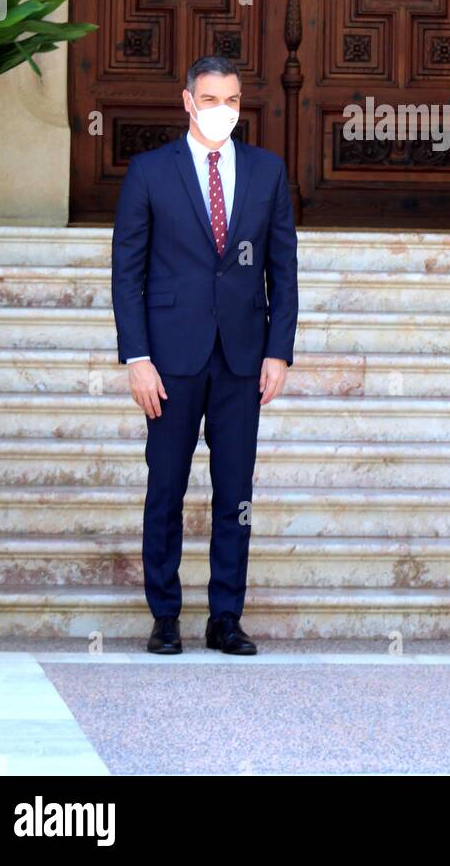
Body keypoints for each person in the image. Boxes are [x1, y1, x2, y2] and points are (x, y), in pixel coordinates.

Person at [111, 55, 298, 655]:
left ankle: (225, 617)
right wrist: (136, 357)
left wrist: (279, 352)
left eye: (234, 101)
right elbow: (126, 274)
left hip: (242, 359)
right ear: (188, 102)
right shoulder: (149, 172)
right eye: (212, 99)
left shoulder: (267, 172)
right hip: (169, 360)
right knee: (165, 487)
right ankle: (165, 615)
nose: (224, 111)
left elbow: (283, 272)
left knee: (235, 492)